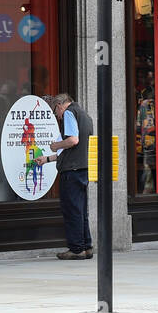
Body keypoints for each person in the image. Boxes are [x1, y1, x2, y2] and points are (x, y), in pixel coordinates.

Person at [38, 93, 93, 260]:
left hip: (72, 171)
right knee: (81, 210)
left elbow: (72, 141)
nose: (57, 115)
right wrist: (47, 159)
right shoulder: (86, 116)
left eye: (56, 111)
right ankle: (86, 246)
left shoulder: (70, 113)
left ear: (61, 105)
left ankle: (76, 249)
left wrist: (55, 145)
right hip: (83, 168)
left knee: (72, 210)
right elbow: (74, 149)